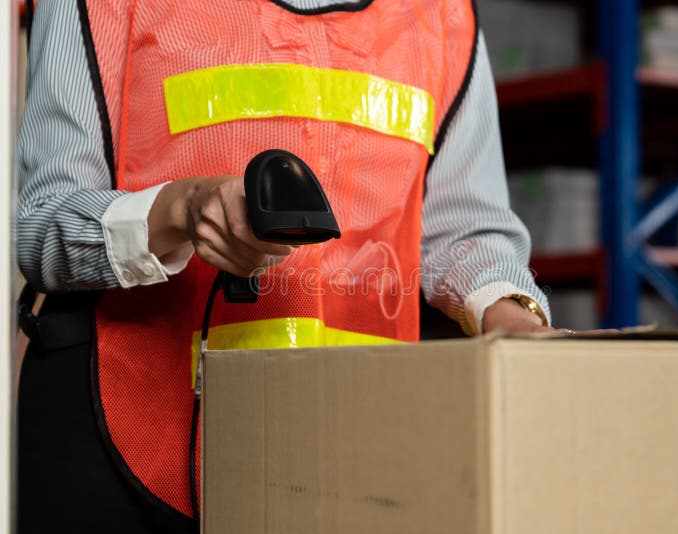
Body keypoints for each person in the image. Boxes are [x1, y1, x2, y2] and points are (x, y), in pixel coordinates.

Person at [17, 1, 558, 532]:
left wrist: (517, 320)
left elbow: (465, 228)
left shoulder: (442, 14)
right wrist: (179, 210)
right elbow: (38, 226)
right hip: (128, 436)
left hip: (356, 446)